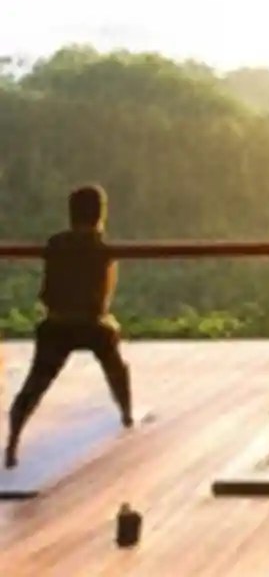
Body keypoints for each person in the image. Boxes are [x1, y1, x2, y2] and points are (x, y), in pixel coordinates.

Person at [5, 185, 132, 469]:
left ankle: (13, 441)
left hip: (57, 323)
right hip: (90, 324)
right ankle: (126, 412)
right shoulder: (102, 248)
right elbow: (103, 296)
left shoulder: (56, 244)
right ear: (100, 214)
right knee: (117, 367)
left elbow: (48, 290)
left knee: (33, 386)